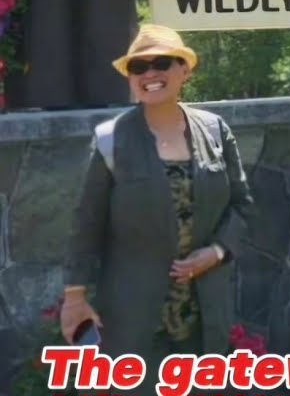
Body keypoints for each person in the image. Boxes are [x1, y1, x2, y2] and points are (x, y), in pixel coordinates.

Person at [60, 24, 255, 379]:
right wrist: (75, 297)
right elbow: (86, 223)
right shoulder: (109, 140)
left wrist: (217, 252)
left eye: (162, 63)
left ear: (185, 70)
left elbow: (241, 205)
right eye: (139, 67)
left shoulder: (216, 131)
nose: (150, 73)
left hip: (204, 310)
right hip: (133, 311)